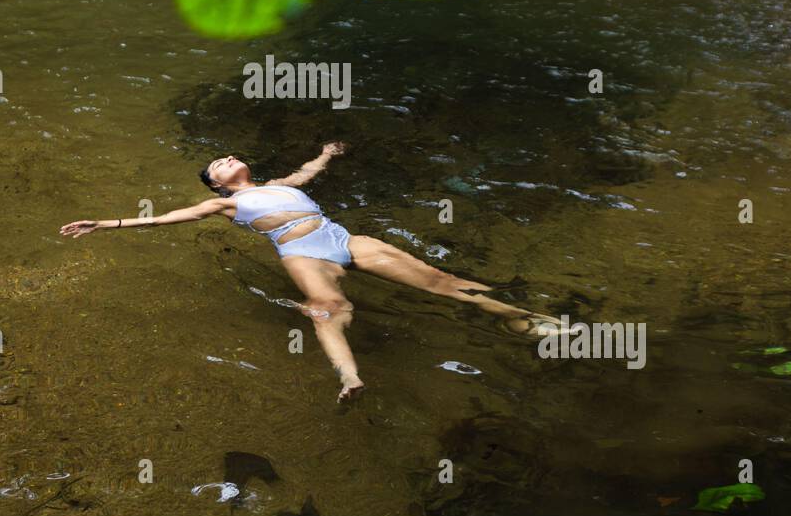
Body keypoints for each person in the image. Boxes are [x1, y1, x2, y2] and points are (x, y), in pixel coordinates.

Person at [59, 143, 555, 402]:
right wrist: (105, 223)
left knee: (438, 280)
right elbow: (166, 219)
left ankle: (515, 314)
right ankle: (350, 377)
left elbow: (307, 175)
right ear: (216, 182)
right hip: (301, 253)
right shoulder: (224, 205)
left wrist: (326, 155)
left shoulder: (277, 183)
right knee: (328, 309)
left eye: (229, 155)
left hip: (339, 236)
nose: (228, 159)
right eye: (219, 162)